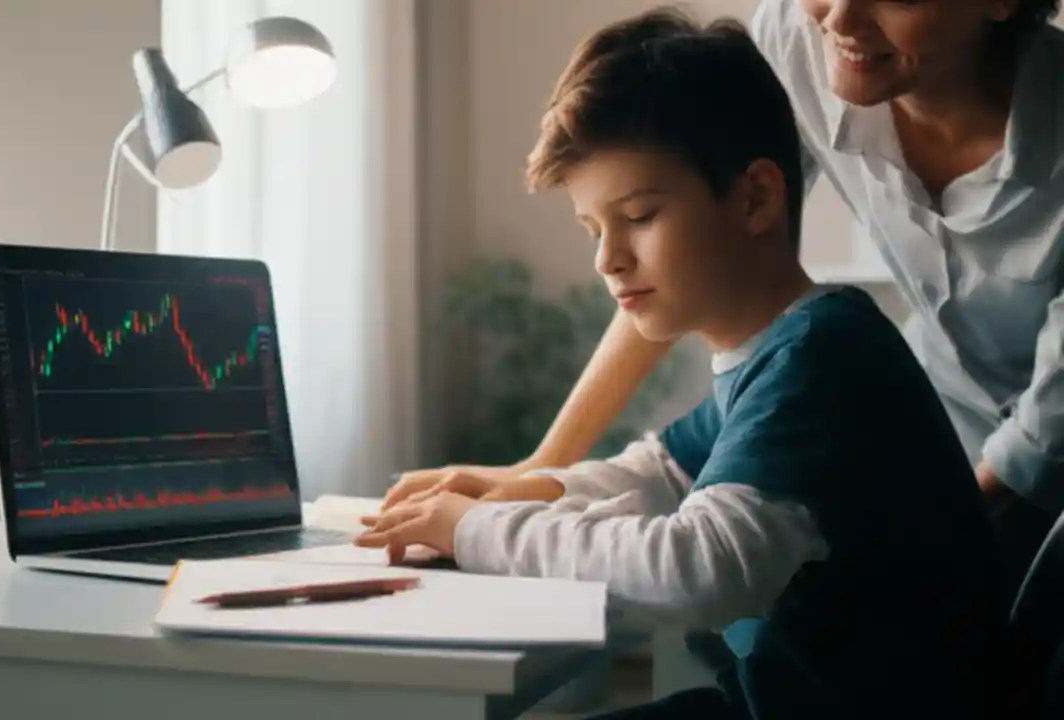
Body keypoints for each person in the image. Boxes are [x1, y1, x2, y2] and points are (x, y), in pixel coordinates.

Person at [358, 11, 1005, 718]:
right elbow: (659, 473)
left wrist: (473, 531)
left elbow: (703, 567)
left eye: (638, 215)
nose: (607, 259)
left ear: (755, 198)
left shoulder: (822, 359)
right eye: (594, 229)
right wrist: (527, 490)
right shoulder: (772, 353)